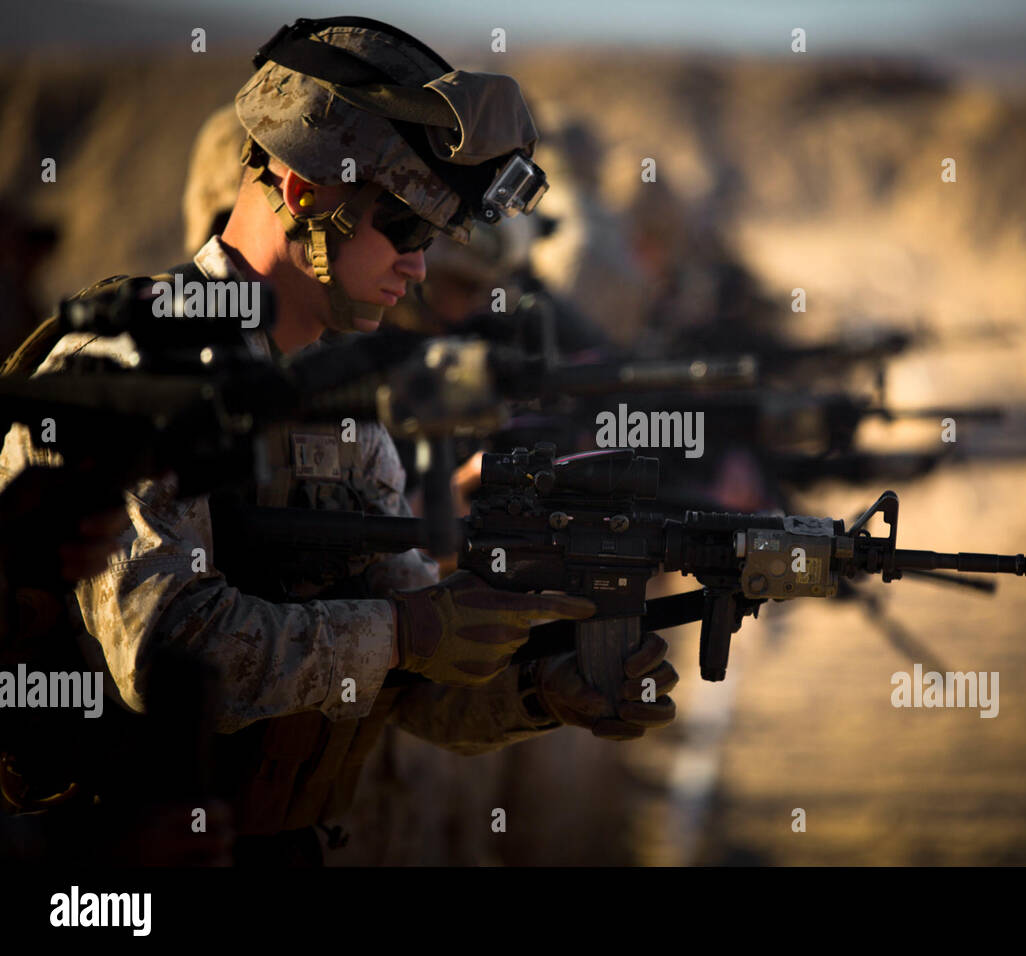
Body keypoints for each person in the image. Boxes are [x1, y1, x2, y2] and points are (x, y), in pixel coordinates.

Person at [0, 16, 676, 865]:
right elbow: (166, 646)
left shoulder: (336, 399)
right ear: (303, 193)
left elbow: (403, 687)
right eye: (404, 230)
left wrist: (543, 691)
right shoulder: (131, 362)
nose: (421, 268)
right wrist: (407, 632)